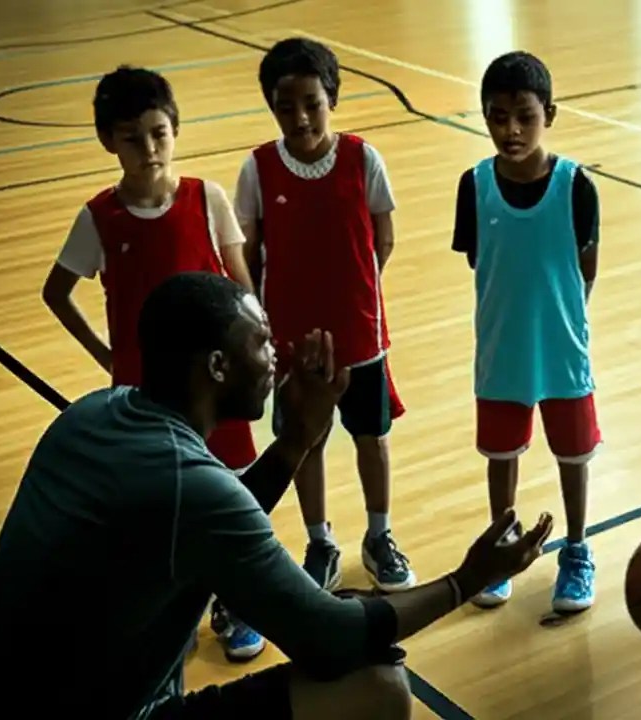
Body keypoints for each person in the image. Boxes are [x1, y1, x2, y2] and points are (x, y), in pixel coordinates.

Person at [0, 272, 553, 720]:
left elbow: (209, 523)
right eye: (260, 341)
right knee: (376, 686)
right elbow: (330, 639)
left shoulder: (94, 413)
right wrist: (465, 579)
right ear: (218, 367)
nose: (275, 352)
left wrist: (296, 441)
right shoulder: (190, 485)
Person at [39, 65, 266, 661]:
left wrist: (260, 355)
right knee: (161, 507)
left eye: (159, 133)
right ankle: (171, 607)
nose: (149, 149)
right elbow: (56, 292)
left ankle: (235, 601)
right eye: (132, 137)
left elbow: (244, 290)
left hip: (216, 392)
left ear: (176, 130)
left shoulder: (206, 198)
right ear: (108, 141)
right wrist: (107, 355)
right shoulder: (100, 218)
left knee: (231, 496)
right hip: (147, 396)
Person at [236, 37, 412, 594]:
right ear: (271, 107)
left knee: (371, 438)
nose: (300, 117)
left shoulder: (364, 159)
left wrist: (352, 293)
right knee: (305, 441)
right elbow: (247, 247)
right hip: (291, 339)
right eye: (285, 106)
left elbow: (382, 238)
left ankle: (379, 535)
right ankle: (320, 539)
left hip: (361, 335)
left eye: (311, 102)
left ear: (331, 97)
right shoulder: (258, 167)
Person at [450, 51, 601, 613]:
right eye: (497, 116)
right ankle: (501, 545)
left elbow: (587, 266)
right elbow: (480, 262)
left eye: (525, 116)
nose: (511, 129)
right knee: (502, 455)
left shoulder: (575, 185)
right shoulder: (474, 186)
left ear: (550, 114)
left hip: (563, 352)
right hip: (501, 349)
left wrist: (561, 316)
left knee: (574, 457)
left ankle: (578, 550)